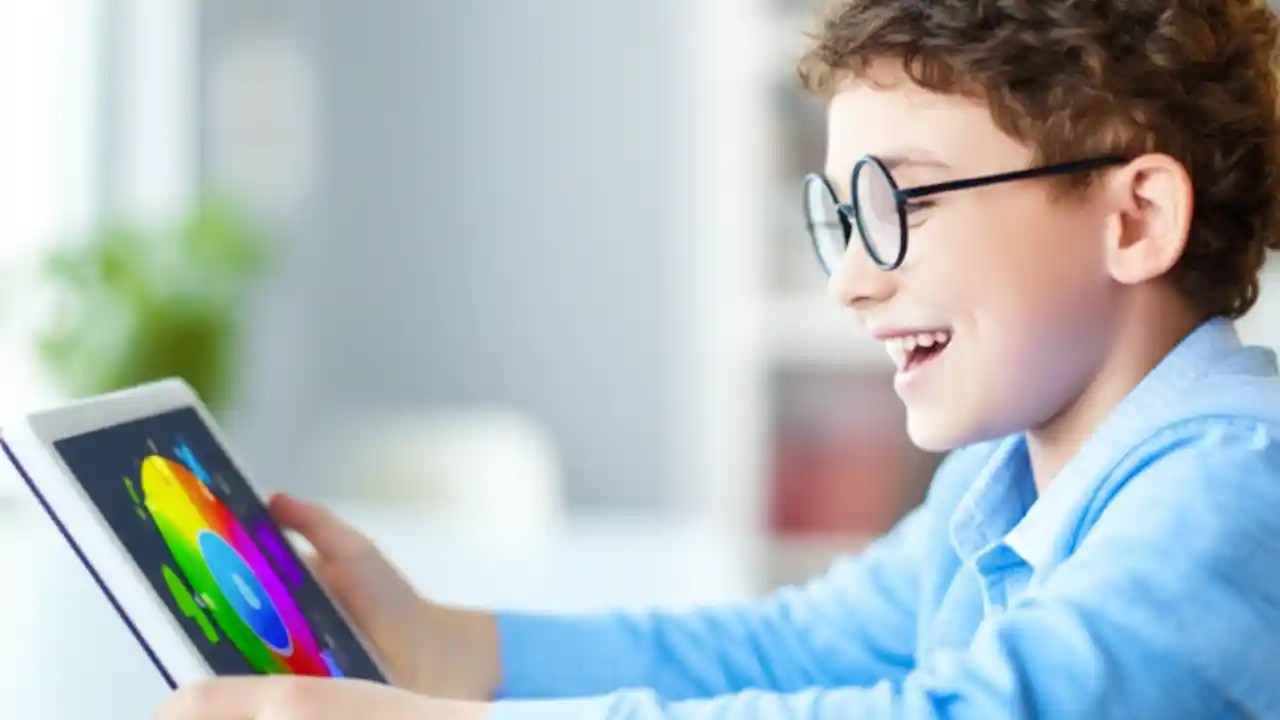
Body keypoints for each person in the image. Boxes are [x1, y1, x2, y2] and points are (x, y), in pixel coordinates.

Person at [155, 0, 1280, 718]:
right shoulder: (1000, 483)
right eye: (837, 215)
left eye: (899, 202)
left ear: (1131, 219)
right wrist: (449, 648)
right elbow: (796, 649)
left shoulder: (1232, 488)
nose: (848, 277)